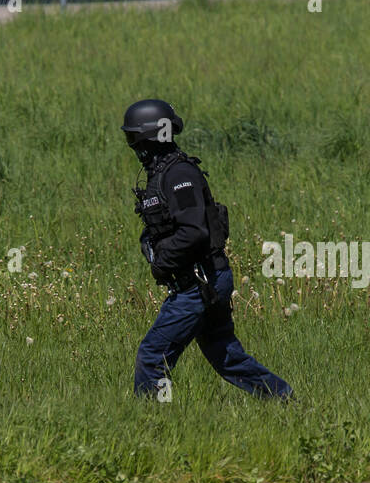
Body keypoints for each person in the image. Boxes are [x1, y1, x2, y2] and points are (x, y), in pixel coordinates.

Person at [125, 98, 292, 400]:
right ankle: (286, 401)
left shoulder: (179, 175)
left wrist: (161, 261)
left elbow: (194, 231)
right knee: (227, 357)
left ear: (147, 137)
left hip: (198, 285)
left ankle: (150, 422)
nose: (132, 146)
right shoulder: (163, 173)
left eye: (132, 137)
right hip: (207, 279)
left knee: (153, 357)